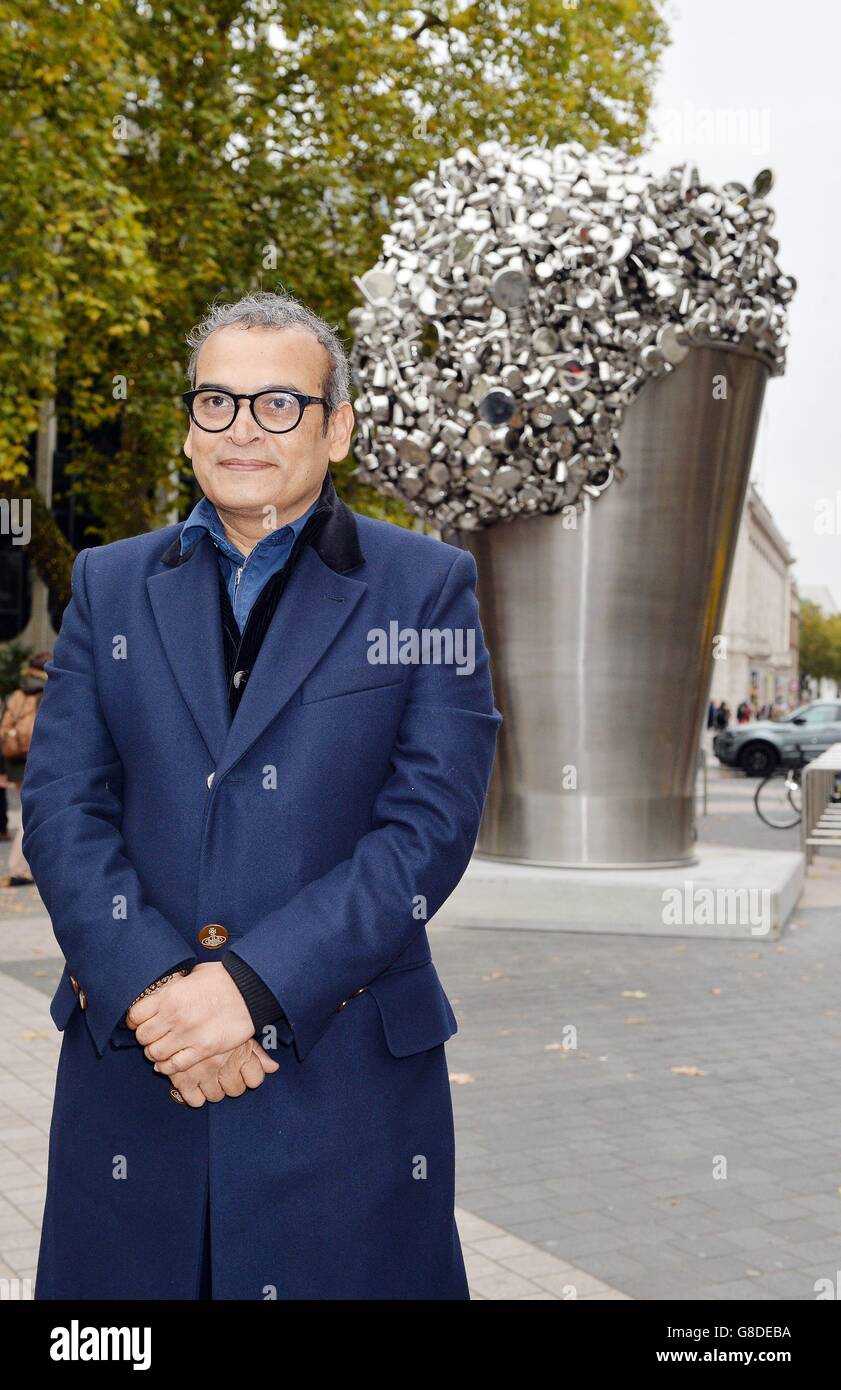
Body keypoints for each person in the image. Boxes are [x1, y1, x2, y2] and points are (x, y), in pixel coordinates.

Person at [22, 290, 502, 1301]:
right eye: (216, 403)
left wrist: (248, 989)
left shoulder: (428, 586)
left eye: (278, 404)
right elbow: (65, 805)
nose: (242, 429)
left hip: (340, 1088)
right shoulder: (108, 585)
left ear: (336, 428)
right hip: (134, 1071)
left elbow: (428, 829)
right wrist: (156, 989)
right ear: (190, 426)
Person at [0, 654, 50, 885]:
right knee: (28, 814)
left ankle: (22, 866)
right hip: (33, 755)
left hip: (14, 759)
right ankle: (18, 868)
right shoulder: (45, 691)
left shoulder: (18, 693)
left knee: (26, 808)